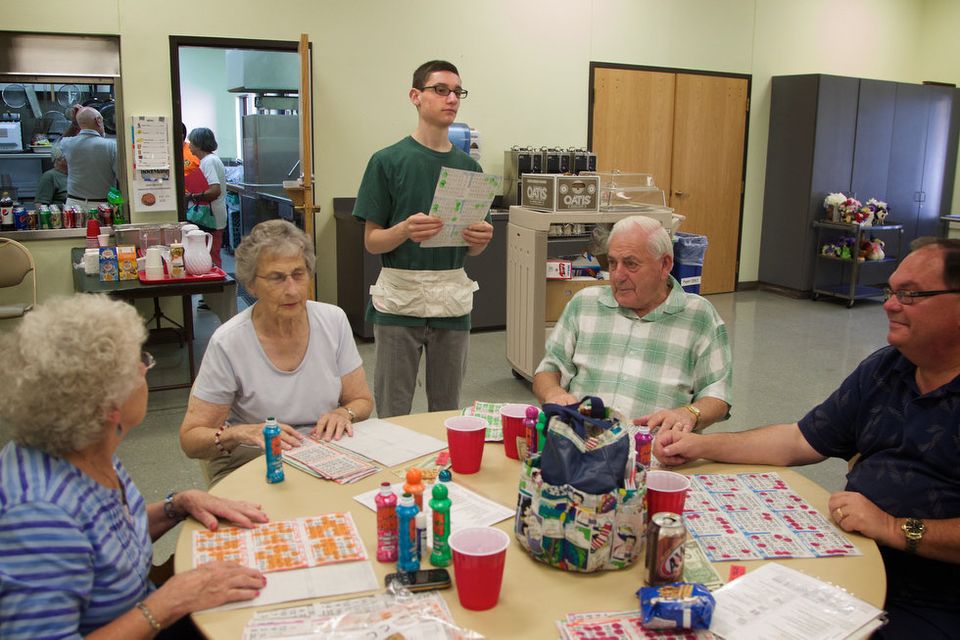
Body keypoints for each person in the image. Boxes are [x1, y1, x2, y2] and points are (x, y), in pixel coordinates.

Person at [654, 237, 960, 638]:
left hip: (932, 596)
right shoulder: (887, 368)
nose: (889, 304)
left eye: (911, 294)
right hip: (850, 554)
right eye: (891, 290)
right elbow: (801, 440)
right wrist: (700, 444)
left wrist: (893, 526)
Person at [0, 295, 268, 639]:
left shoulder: (86, 445)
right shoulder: (38, 515)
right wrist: (168, 602)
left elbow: (108, 538)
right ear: (111, 405)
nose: (146, 367)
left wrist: (176, 506)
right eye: (139, 362)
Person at [180, 220, 374, 486]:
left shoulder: (333, 321)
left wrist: (344, 414)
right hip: (255, 461)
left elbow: (361, 400)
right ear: (250, 284)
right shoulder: (229, 342)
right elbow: (191, 439)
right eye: (276, 277)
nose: (292, 289)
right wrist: (239, 433)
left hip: (325, 455)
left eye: (299, 274)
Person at [353, 59, 494, 418]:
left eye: (457, 92)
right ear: (416, 96)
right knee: (394, 406)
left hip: (451, 302)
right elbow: (373, 242)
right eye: (441, 90)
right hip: (400, 302)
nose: (452, 99)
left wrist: (481, 237)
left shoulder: (470, 169)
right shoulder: (387, 162)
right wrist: (403, 230)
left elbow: (474, 249)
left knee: (446, 409)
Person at [533, 215, 732, 432]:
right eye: (612, 263)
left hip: (655, 450)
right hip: (581, 446)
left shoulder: (699, 316)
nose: (617, 276)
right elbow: (549, 369)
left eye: (631, 264)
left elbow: (718, 394)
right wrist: (553, 392)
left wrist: (690, 413)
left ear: (665, 264)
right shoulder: (584, 304)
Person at [59, 105, 118, 210]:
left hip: (72, 205)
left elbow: (55, 150)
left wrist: (76, 122)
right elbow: (121, 177)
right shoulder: (111, 146)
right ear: (98, 120)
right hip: (102, 205)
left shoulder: (67, 144)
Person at [185, 127, 227, 269]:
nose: (189, 146)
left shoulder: (209, 161)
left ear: (198, 144)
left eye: (191, 142)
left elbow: (214, 190)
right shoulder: (210, 160)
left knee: (211, 256)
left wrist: (192, 196)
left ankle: (216, 288)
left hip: (211, 218)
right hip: (213, 215)